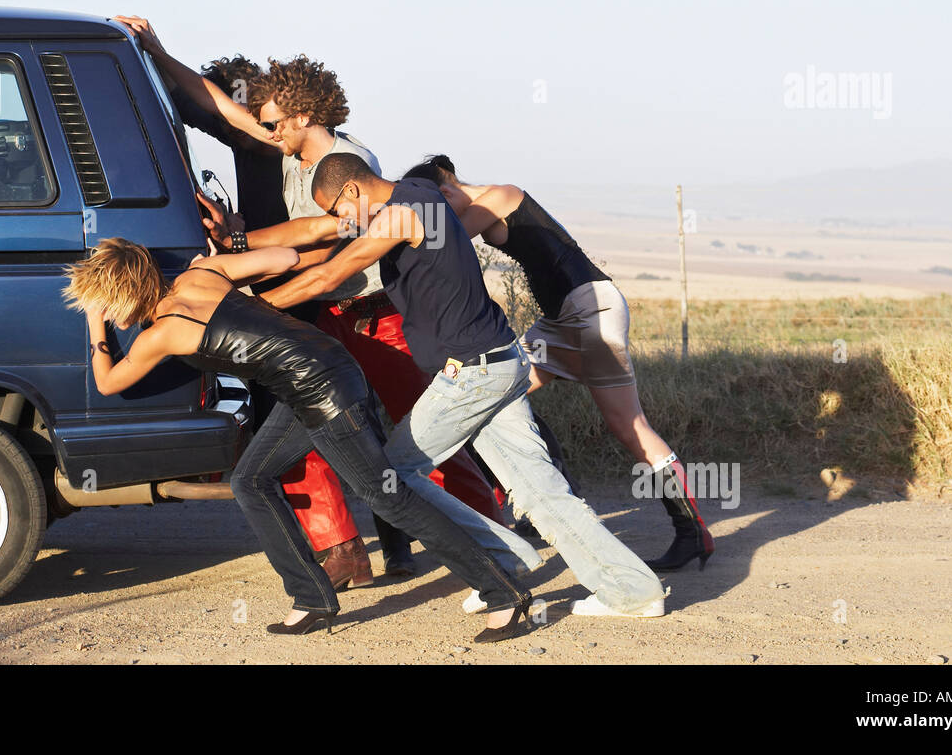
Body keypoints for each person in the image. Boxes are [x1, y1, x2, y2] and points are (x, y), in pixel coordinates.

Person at [112, 15, 503, 579]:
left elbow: (322, 246)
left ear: (301, 117)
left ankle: (484, 527)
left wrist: (248, 269)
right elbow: (221, 107)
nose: (261, 130)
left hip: (370, 312)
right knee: (344, 423)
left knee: (416, 427)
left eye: (271, 122)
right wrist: (156, 48)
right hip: (332, 311)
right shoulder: (290, 153)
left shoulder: (347, 168)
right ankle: (366, 552)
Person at [257, 153, 669, 623]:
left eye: (337, 211)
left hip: (473, 372)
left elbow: (331, 273)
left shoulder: (400, 213)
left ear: (351, 191)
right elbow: (309, 237)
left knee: (393, 472)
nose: (339, 222)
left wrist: (249, 309)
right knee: (538, 491)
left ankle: (497, 561)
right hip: (497, 363)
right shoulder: (424, 197)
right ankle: (631, 589)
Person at [62, 238, 531, 641]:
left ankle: (502, 592)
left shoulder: (160, 335)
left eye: (99, 299)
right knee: (251, 480)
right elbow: (286, 257)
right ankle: (311, 600)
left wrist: (94, 325)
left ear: (118, 295)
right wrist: (228, 256)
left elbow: (108, 383)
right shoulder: (202, 273)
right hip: (322, 372)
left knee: (388, 498)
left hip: (321, 391)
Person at [403, 155, 716, 572]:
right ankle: (553, 497)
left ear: (444, 192)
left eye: (432, 204)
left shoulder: (501, 195)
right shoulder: (479, 205)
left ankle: (692, 532)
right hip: (560, 321)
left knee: (629, 425)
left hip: (591, 309)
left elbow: (440, 241)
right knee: (495, 394)